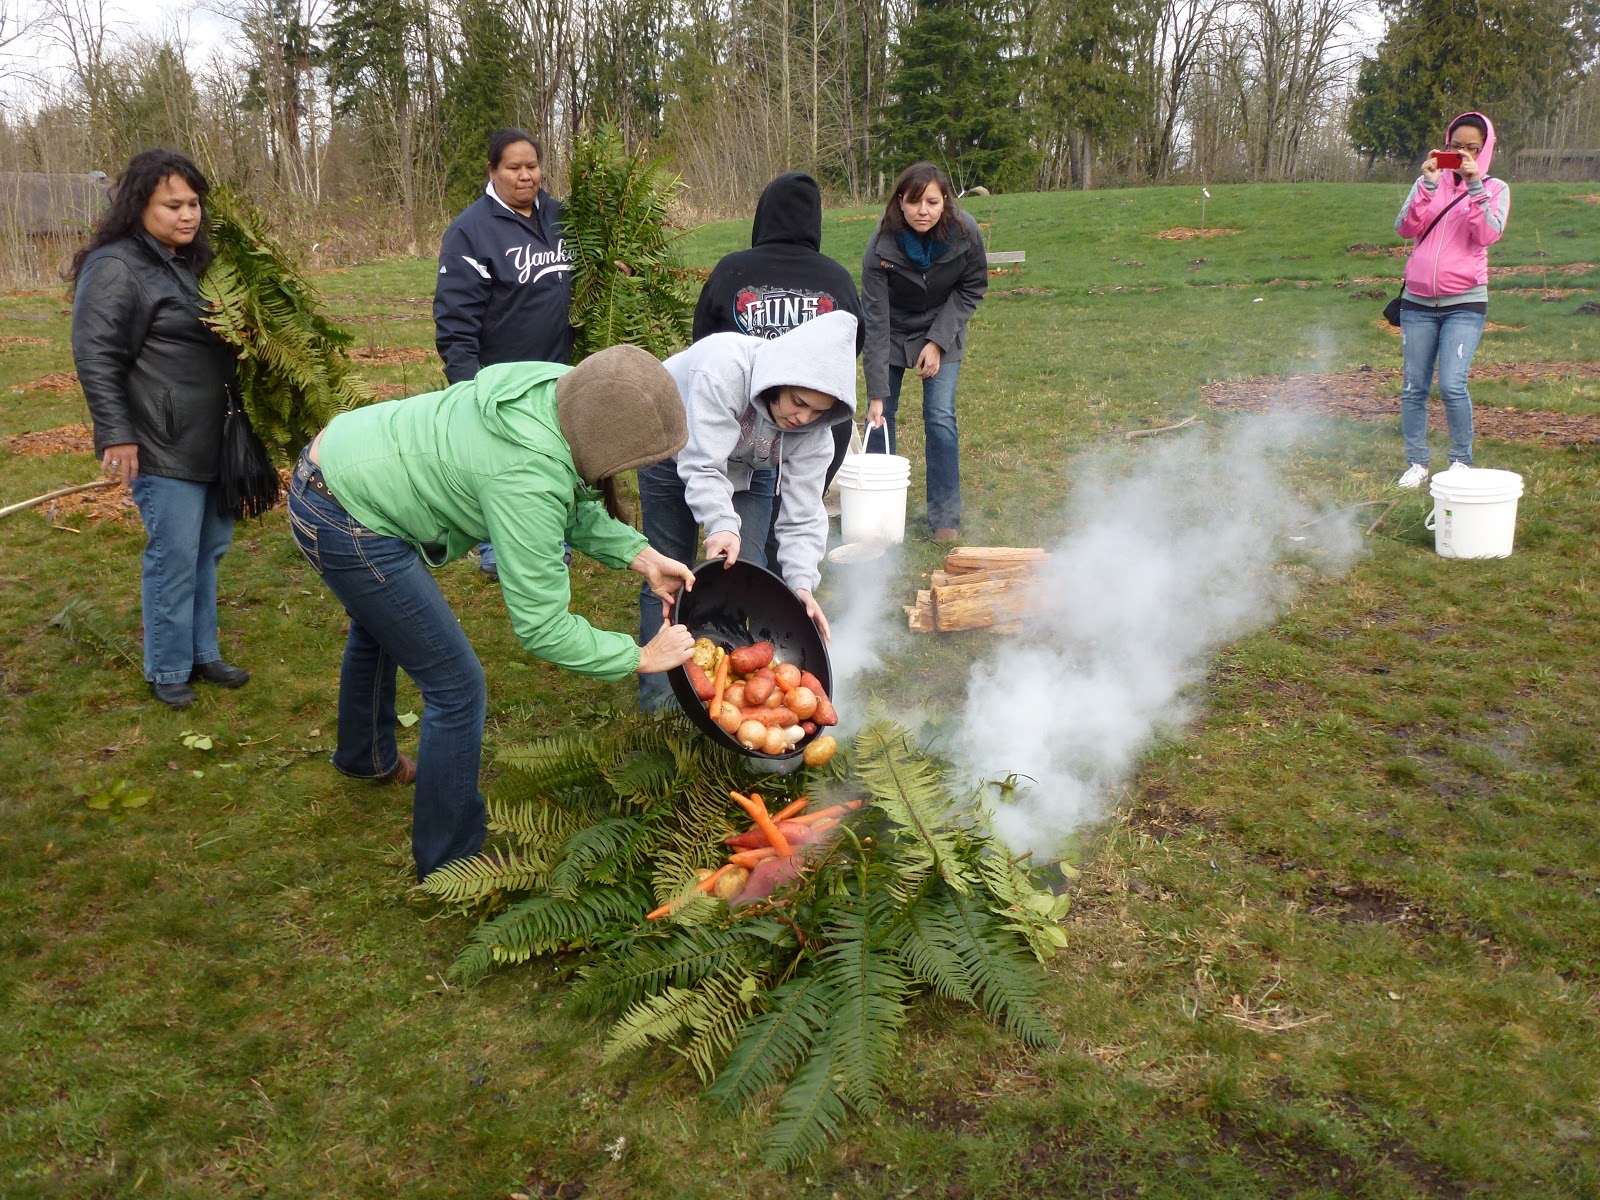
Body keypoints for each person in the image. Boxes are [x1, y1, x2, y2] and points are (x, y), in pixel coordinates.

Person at [288, 347, 699, 880]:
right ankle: (450, 862)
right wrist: (639, 655)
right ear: (607, 442)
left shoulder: (557, 393)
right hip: (343, 513)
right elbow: (544, 627)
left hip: (343, 460)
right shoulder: (525, 477)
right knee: (457, 687)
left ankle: (363, 757)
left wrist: (641, 557)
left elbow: (569, 502)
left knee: (382, 625)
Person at [70, 148, 246, 711]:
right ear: (139, 205)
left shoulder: (186, 263)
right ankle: (168, 666)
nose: (188, 215)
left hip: (210, 434)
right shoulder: (118, 265)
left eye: (194, 203)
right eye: (173, 204)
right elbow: (96, 353)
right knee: (174, 554)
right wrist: (117, 434)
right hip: (159, 437)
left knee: (209, 548)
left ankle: (202, 652)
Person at [636, 310, 857, 712]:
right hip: (670, 446)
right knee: (669, 571)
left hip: (750, 464)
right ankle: (660, 704)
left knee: (747, 570)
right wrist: (721, 524)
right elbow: (701, 463)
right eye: (798, 402)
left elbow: (804, 513)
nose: (801, 417)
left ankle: (725, 696)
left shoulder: (813, 431)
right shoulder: (723, 370)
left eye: (816, 411)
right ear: (779, 378)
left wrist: (803, 584)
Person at [692, 171, 865, 579]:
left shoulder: (732, 269)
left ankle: (776, 587)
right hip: (728, 419)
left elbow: (701, 335)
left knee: (780, 521)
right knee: (751, 533)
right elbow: (852, 350)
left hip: (787, 426)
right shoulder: (836, 278)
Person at [434, 127, 574, 579]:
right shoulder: (471, 232)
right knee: (503, 466)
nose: (525, 176)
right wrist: (466, 386)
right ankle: (497, 547)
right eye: (513, 168)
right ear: (492, 171)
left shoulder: (562, 217)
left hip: (559, 372)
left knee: (556, 457)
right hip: (503, 379)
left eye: (532, 166)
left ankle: (554, 541)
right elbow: (455, 318)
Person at [860, 161, 988, 543]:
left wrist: (937, 341)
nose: (923, 211)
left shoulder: (966, 233)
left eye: (932, 202)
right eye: (914, 202)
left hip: (943, 325)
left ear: (945, 201)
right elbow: (876, 321)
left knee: (940, 416)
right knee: (881, 418)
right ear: (900, 201)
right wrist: (876, 392)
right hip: (894, 329)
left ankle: (945, 517)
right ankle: (880, 519)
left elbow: (972, 288)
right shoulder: (880, 246)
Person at [1392, 111, 1510, 489]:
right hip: (1417, 303)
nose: (1461, 154)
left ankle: (1461, 461)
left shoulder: (1496, 188)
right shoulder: (1428, 183)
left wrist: (1475, 186)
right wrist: (1426, 187)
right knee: (1414, 386)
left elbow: (1488, 234)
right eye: (1454, 146)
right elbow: (1404, 228)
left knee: (1452, 385)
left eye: (1470, 148)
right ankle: (1417, 463)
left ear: (1484, 149)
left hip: (1465, 303)